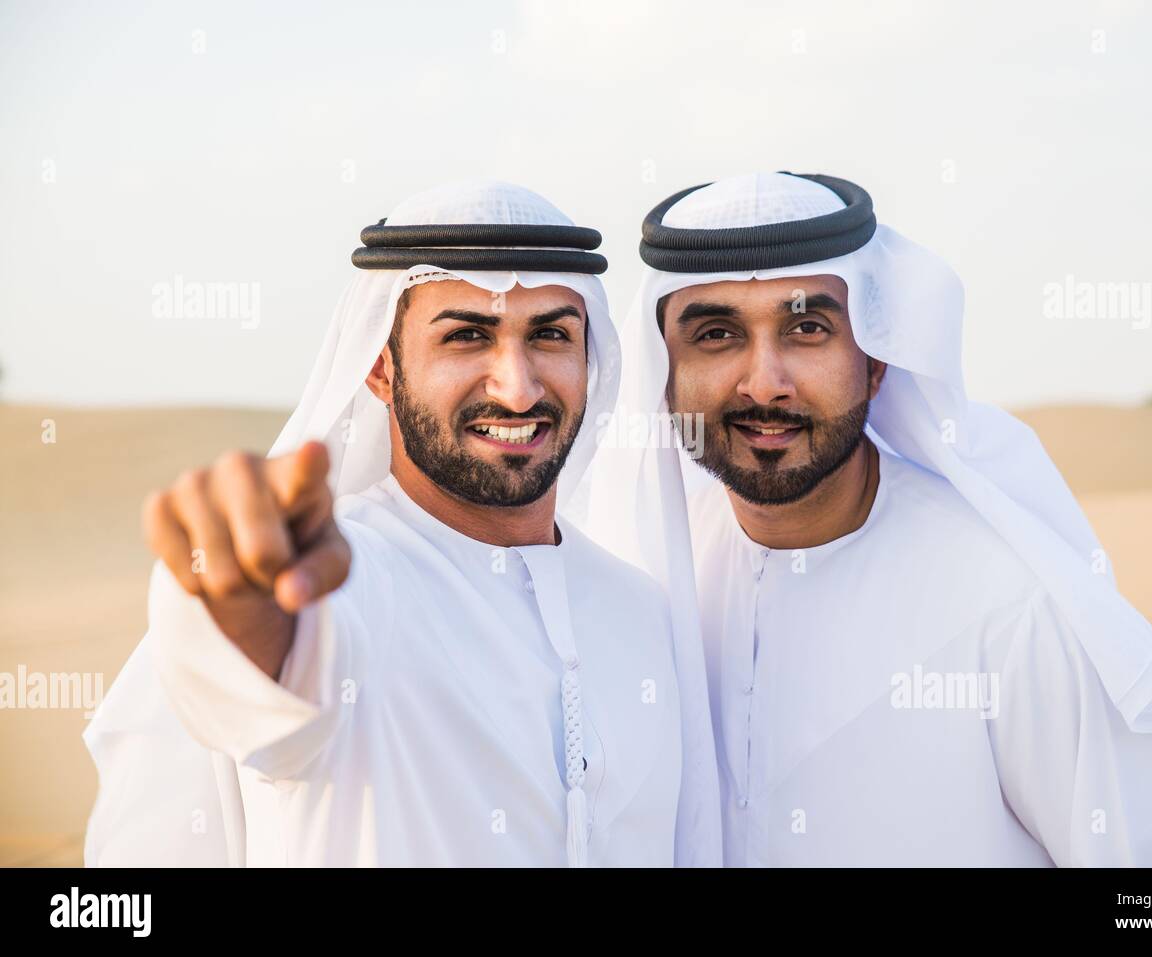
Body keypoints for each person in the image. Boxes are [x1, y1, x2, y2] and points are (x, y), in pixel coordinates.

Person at [82, 180, 723, 867]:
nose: (518, 385)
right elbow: (266, 681)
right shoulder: (348, 581)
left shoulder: (640, 609)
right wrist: (244, 603)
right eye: (467, 336)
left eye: (550, 335)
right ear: (382, 370)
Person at [585, 171, 1152, 866]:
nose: (764, 380)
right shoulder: (651, 581)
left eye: (807, 327)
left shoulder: (1012, 605)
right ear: (663, 371)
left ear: (877, 361)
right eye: (715, 333)